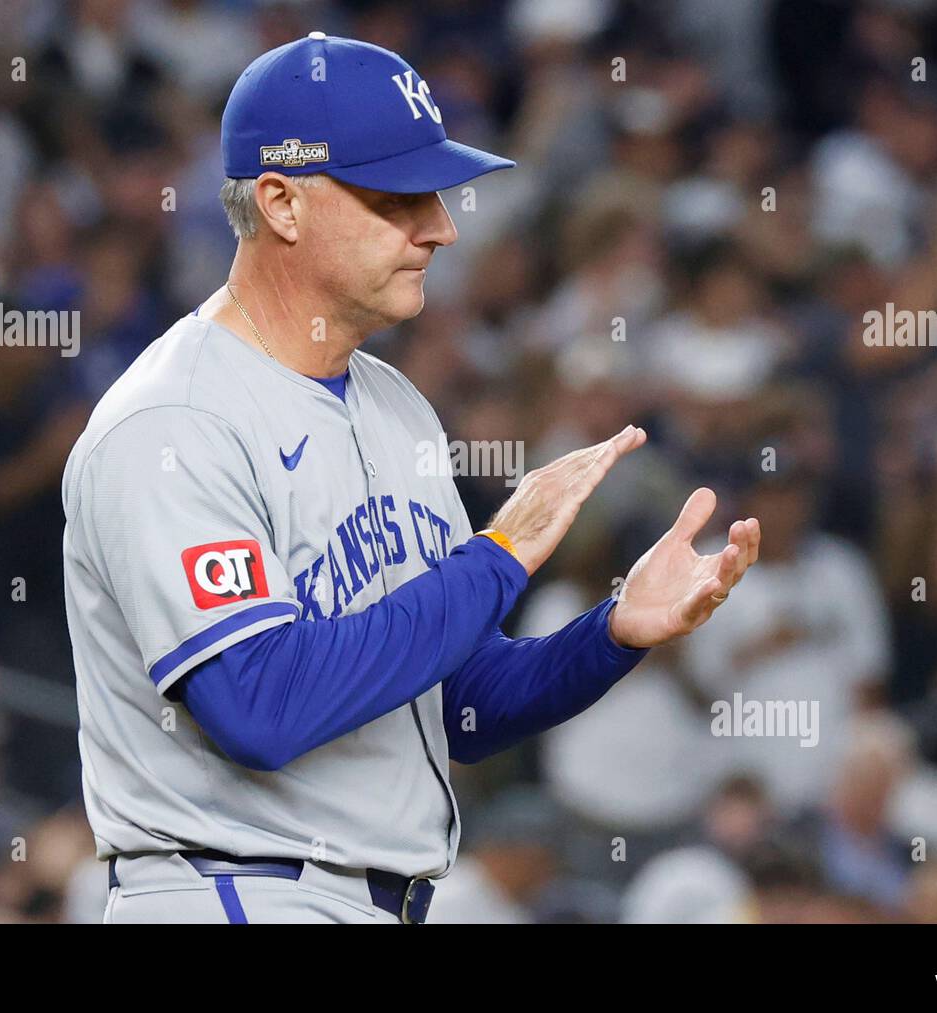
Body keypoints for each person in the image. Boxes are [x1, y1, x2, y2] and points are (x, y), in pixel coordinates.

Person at [61, 32, 761, 925]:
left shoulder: (394, 404)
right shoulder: (177, 422)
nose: (441, 224)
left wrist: (613, 633)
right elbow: (259, 706)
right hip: (234, 891)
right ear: (281, 201)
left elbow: (456, 706)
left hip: (375, 898)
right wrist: (500, 553)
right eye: (398, 196)